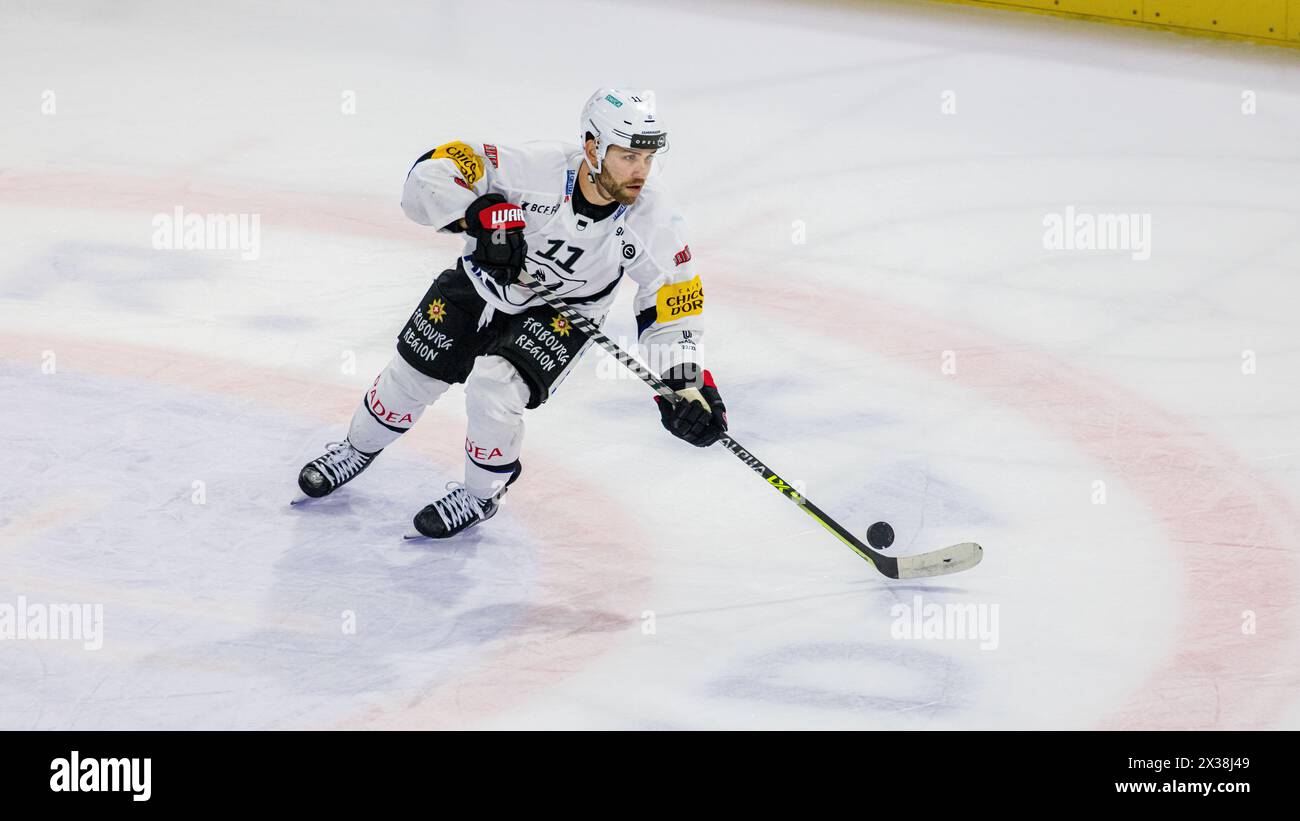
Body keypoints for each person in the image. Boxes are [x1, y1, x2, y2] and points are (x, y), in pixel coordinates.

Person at [296, 88, 727, 538]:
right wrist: (476, 214)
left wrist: (686, 383)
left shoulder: (657, 220)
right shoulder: (530, 168)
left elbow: (673, 303)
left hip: (563, 315)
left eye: (647, 158)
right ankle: (357, 448)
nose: (640, 171)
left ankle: (481, 495)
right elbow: (431, 171)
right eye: (627, 157)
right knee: (410, 379)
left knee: (494, 388)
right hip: (481, 284)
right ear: (592, 146)